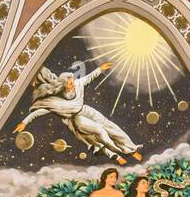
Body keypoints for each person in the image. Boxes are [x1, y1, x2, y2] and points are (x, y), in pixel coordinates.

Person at [15, 63, 143, 164]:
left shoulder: (78, 84)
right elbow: (38, 112)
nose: (73, 83)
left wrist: (100, 68)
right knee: (100, 132)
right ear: (63, 85)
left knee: (110, 126)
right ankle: (119, 152)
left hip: (85, 110)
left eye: (72, 80)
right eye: (70, 82)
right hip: (76, 119)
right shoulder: (56, 102)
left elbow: (89, 77)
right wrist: (24, 122)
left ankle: (130, 149)